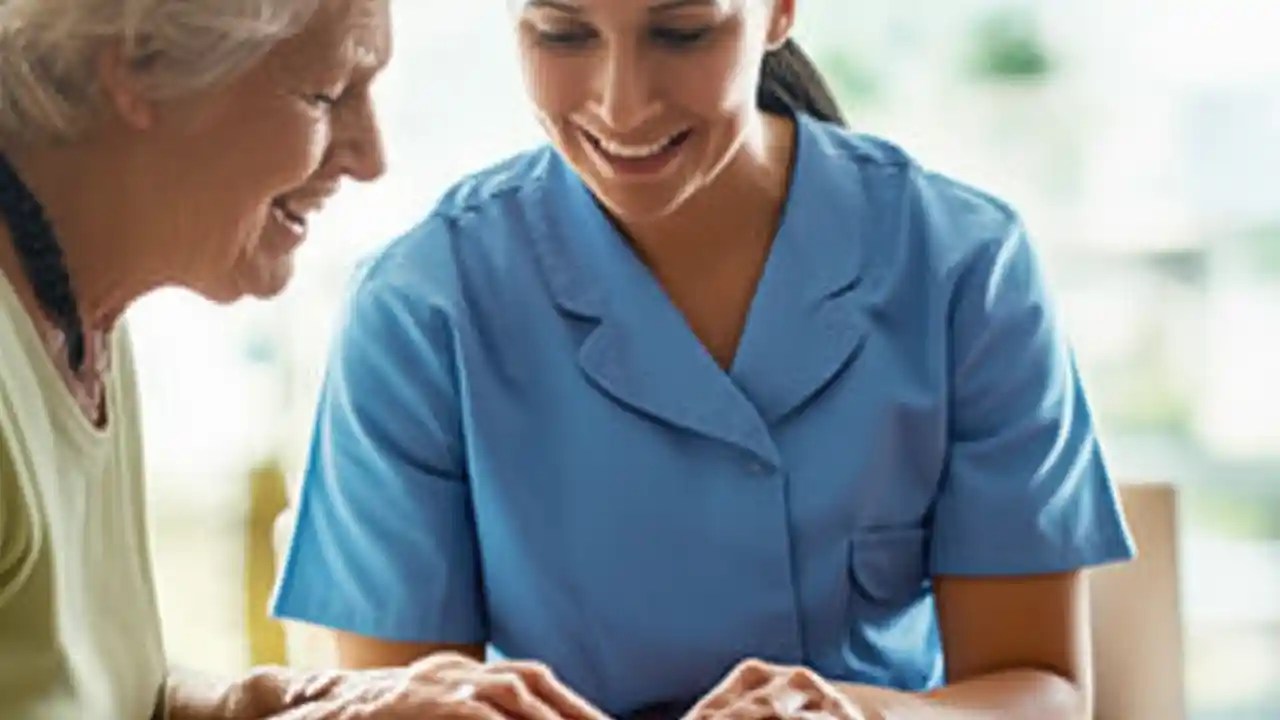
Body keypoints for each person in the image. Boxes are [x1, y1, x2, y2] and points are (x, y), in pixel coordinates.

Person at [271, 0, 1137, 719]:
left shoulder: (962, 268)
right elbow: (410, 704)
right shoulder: (422, 304)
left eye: (682, 32)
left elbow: (1043, 693)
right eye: (562, 34)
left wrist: (855, 714)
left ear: (778, 13)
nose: (622, 105)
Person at [1, 1, 600, 718]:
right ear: (141, 64)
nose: (371, 155)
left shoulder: (75, 309)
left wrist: (311, 705)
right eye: (325, 94)